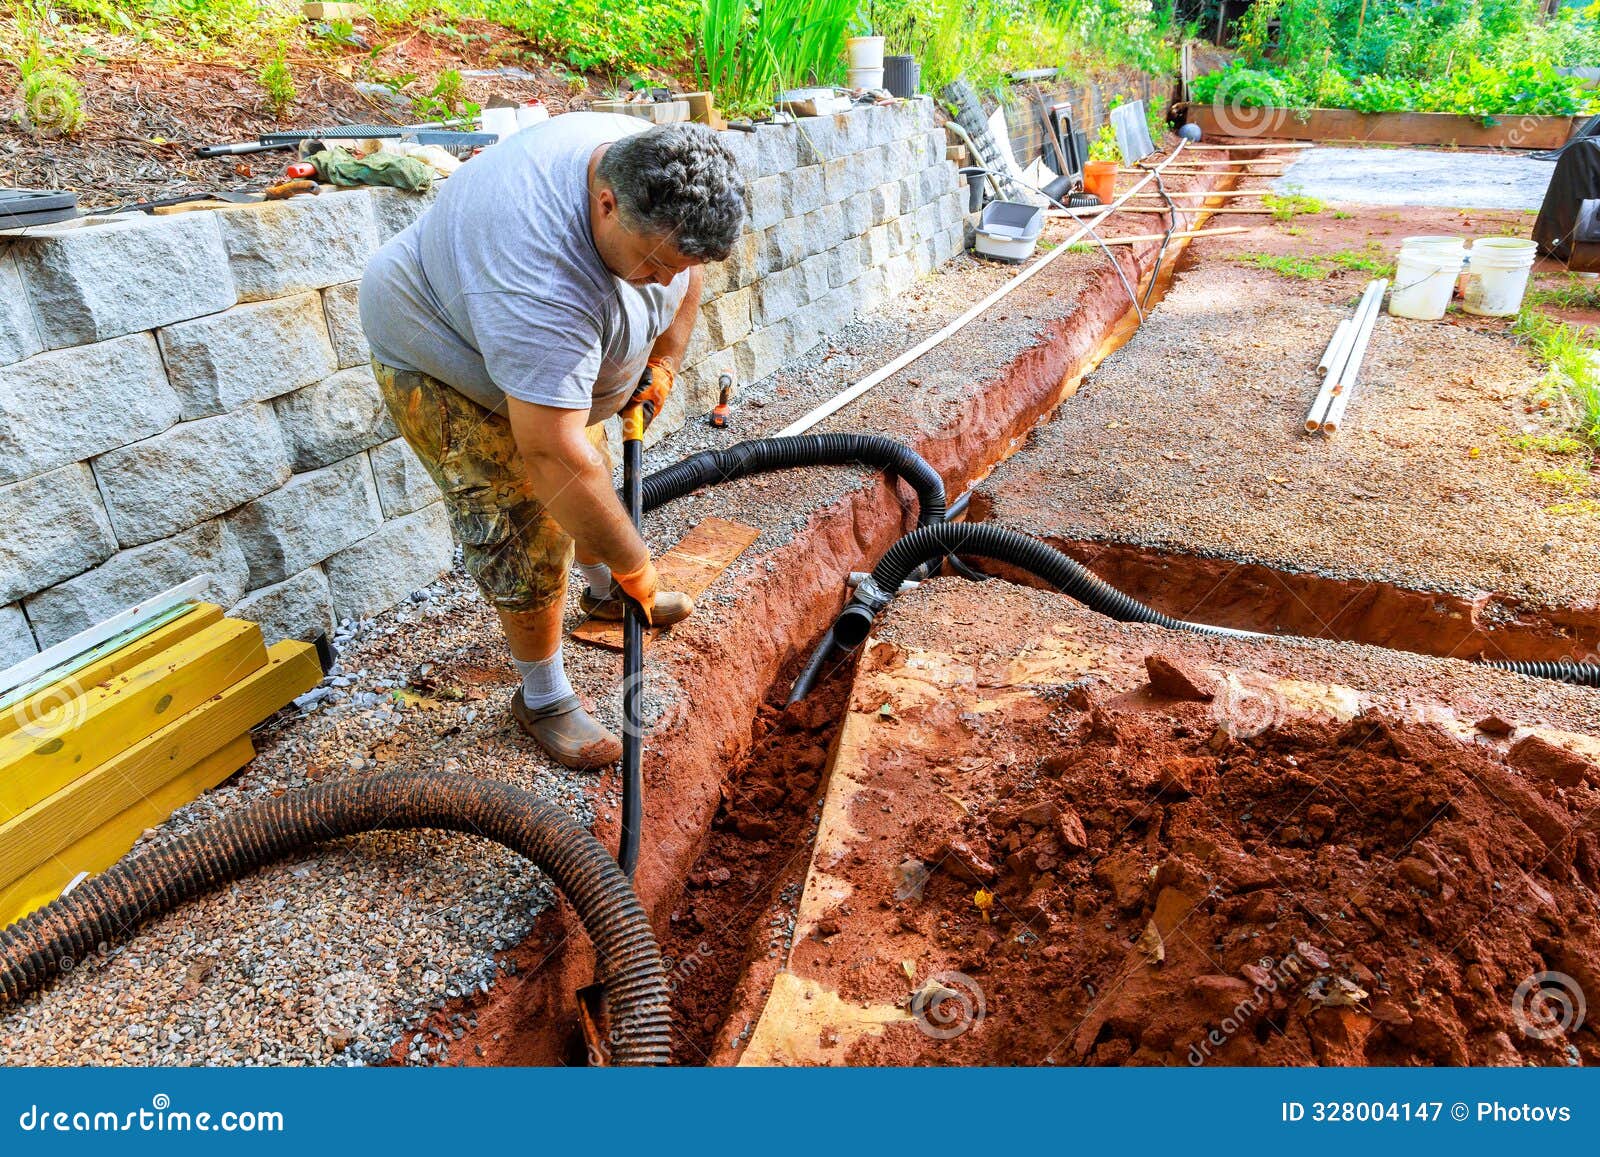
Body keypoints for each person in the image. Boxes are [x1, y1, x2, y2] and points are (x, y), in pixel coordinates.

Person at [358, 113, 745, 768]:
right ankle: (542, 697)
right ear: (604, 203)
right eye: (655, 265)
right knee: (527, 522)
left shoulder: (661, 173)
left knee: (580, 481)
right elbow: (553, 453)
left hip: (530, 348)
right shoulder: (533, 270)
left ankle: (598, 587)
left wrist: (667, 359)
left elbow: (689, 266)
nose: (666, 280)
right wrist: (641, 573)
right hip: (446, 357)